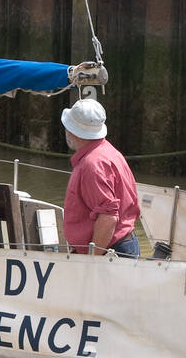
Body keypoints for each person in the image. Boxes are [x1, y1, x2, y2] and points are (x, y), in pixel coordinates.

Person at [60, 97, 141, 258]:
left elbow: (108, 217)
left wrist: (92, 259)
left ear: (71, 131)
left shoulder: (92, 164)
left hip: (111, 252)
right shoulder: (108, 152)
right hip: (121, 245)